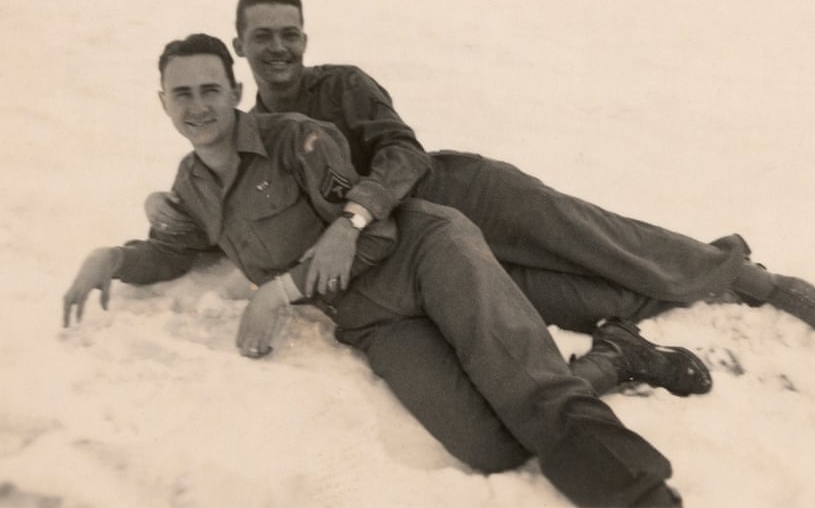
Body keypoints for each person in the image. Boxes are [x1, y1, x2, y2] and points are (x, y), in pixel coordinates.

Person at [63, 33, 707, 507]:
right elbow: (177, 248)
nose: (197, 106)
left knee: (529, 391)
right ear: (162, 103)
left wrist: (279, 292)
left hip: (425, 257)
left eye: (210, 90)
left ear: (235, 92)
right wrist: (112, 258)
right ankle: (614, 359)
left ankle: (642, 496)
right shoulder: (192, 183)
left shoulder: (300, 138)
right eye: (182, 94)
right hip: (369, 318)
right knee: (490, 446)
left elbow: (374, 230)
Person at [148, 0, 815, 352]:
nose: (278, 46)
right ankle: (684, 302)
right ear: (238, 46)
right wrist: (166, 213)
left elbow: (404, 150)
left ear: (307, 37)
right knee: (562, 296)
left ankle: (761, 281)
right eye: (262, 36)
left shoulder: (342, 85)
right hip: (425, 250)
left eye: (290, 33)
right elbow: (241, 209)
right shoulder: (242, 130)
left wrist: (360, 209)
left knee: (600, 238)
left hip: (465, 191)